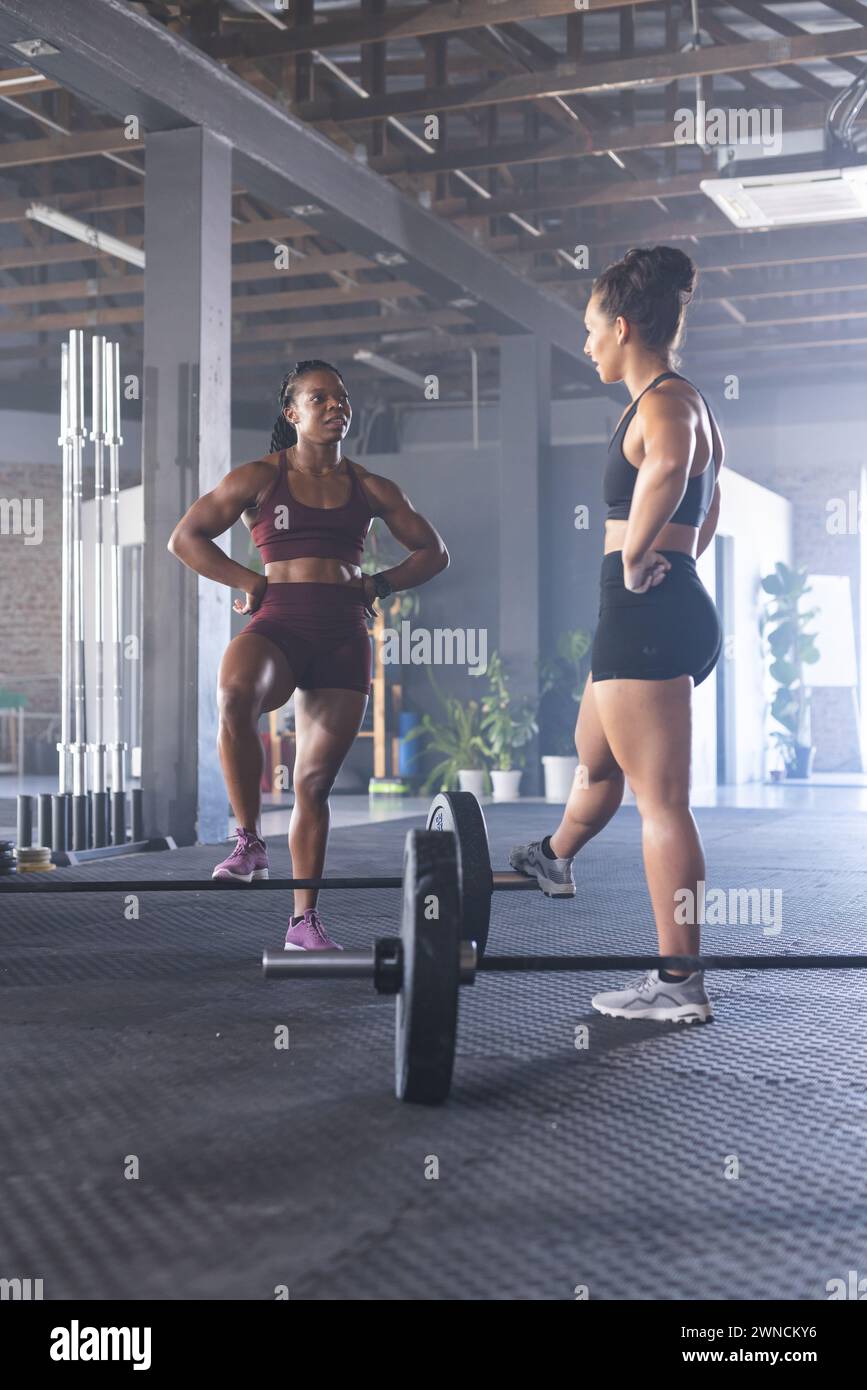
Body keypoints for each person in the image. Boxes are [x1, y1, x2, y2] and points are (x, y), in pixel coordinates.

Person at [510, 246, 724, 1023]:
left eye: (590, 328)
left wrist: (636, 557)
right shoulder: (684, 399)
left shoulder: (663, 404)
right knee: (595, 758)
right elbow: (712, 499)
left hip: (644, 611)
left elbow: (669, 468)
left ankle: (678, 981)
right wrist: (674, 562)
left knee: (660, 803)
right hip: (654, 609)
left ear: (623, 326)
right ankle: (554, 858)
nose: (586, 342)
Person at [168, 360, 448, 951]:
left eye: (341, 398)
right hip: (280, 624)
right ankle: (248, 842)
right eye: (319, 398)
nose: (334, 406)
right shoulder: (259, 477)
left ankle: (303, 922)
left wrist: (380, 584)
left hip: (343, 635)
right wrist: (247, 581)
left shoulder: (372, 487)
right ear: (291, 412)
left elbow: (434, 552)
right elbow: (186, 538)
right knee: (235, 695)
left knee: (313, 787)